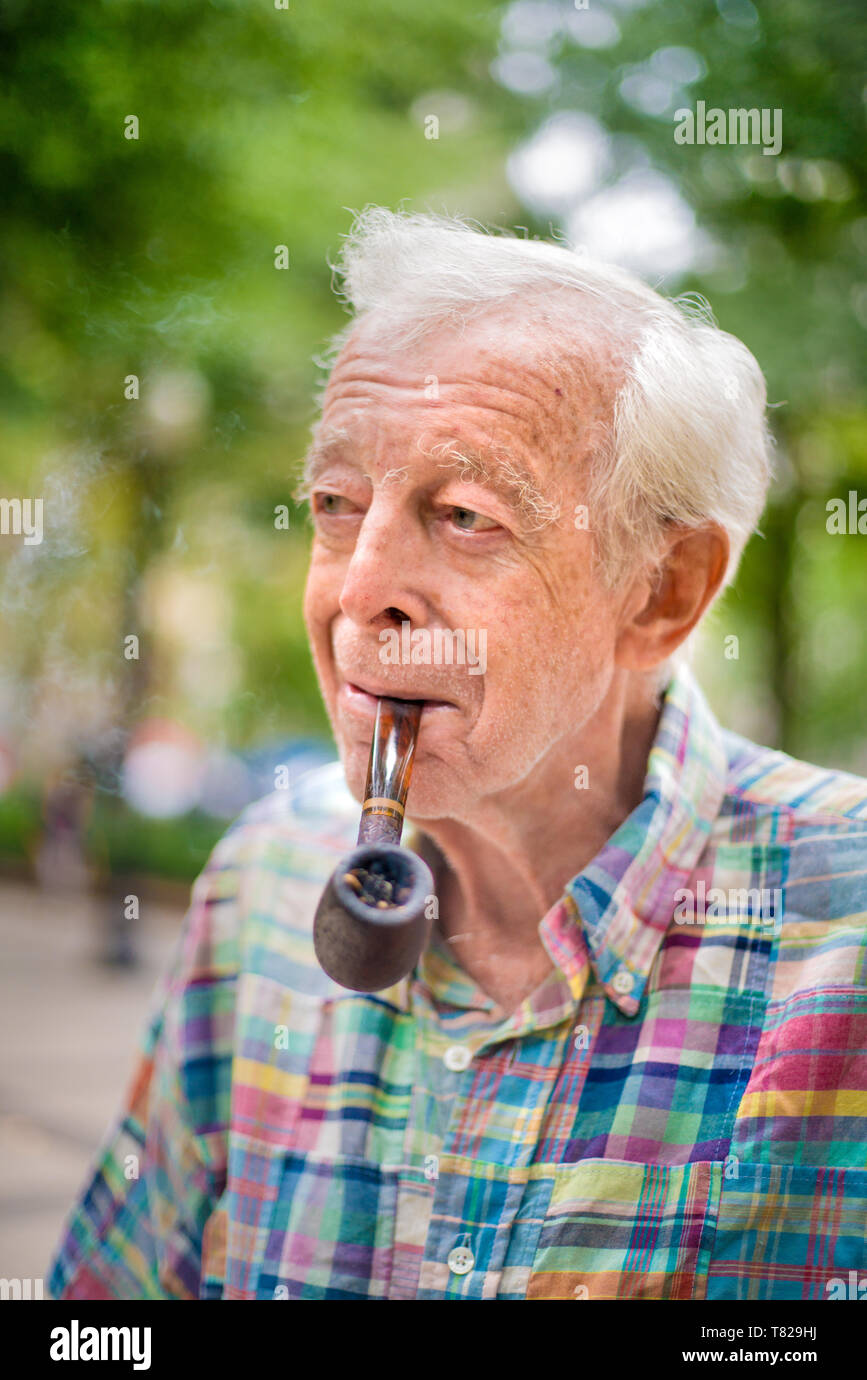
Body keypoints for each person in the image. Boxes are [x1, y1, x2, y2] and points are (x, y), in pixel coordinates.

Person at [48, 208, 867, 1301]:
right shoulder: (264, 882)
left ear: (662, 592)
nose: (355, 588)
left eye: (468, 514)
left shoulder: (845, 937)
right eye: (337, 503)